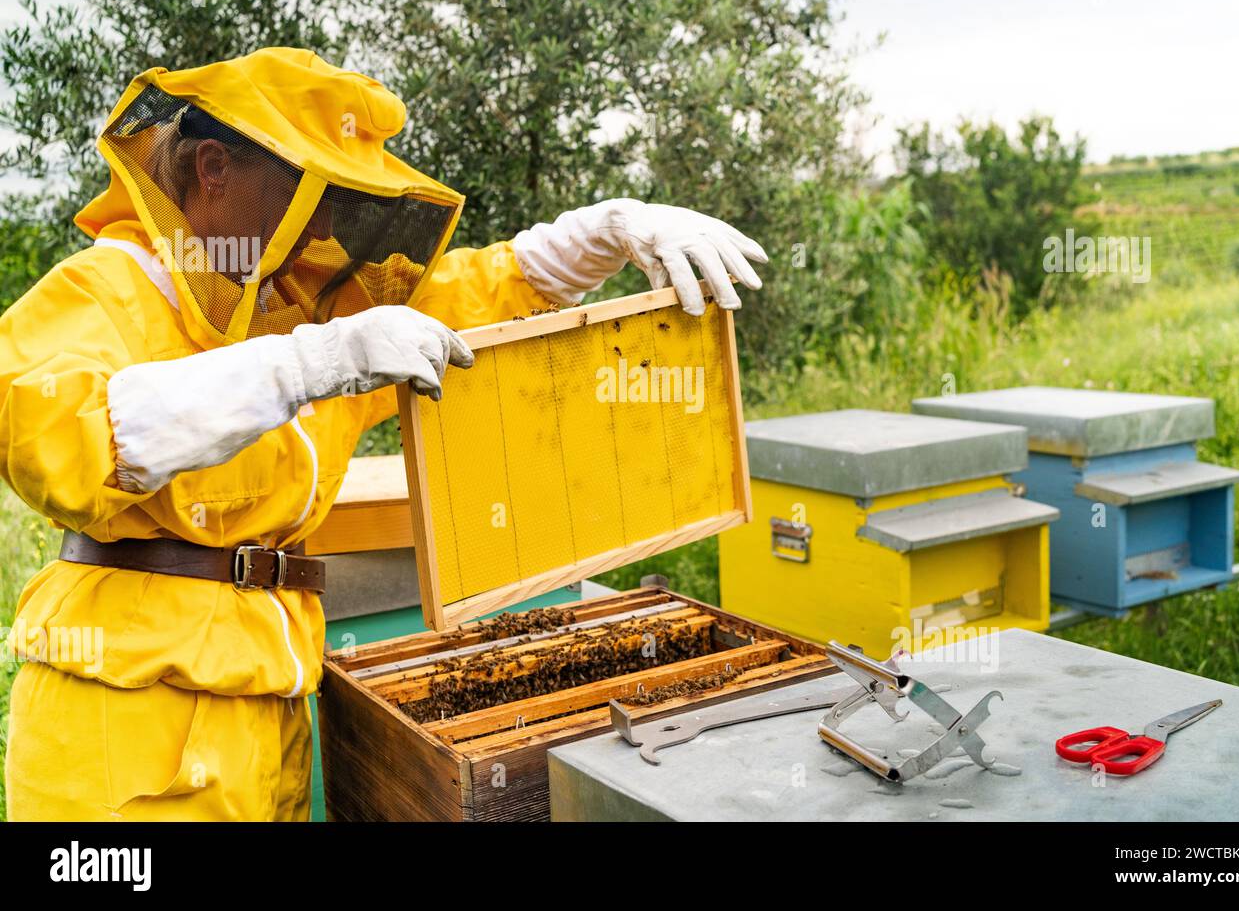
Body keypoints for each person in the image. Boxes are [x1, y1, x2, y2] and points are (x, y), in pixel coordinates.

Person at [0, 47, 767, 820]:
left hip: (271, 700)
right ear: (212, 168)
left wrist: (598, 234)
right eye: (309, 189)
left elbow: (464, 303)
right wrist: (307, 364)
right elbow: (55, 434)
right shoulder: (106, 289)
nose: (328, 222)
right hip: (125, 720)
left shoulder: (294, 302)